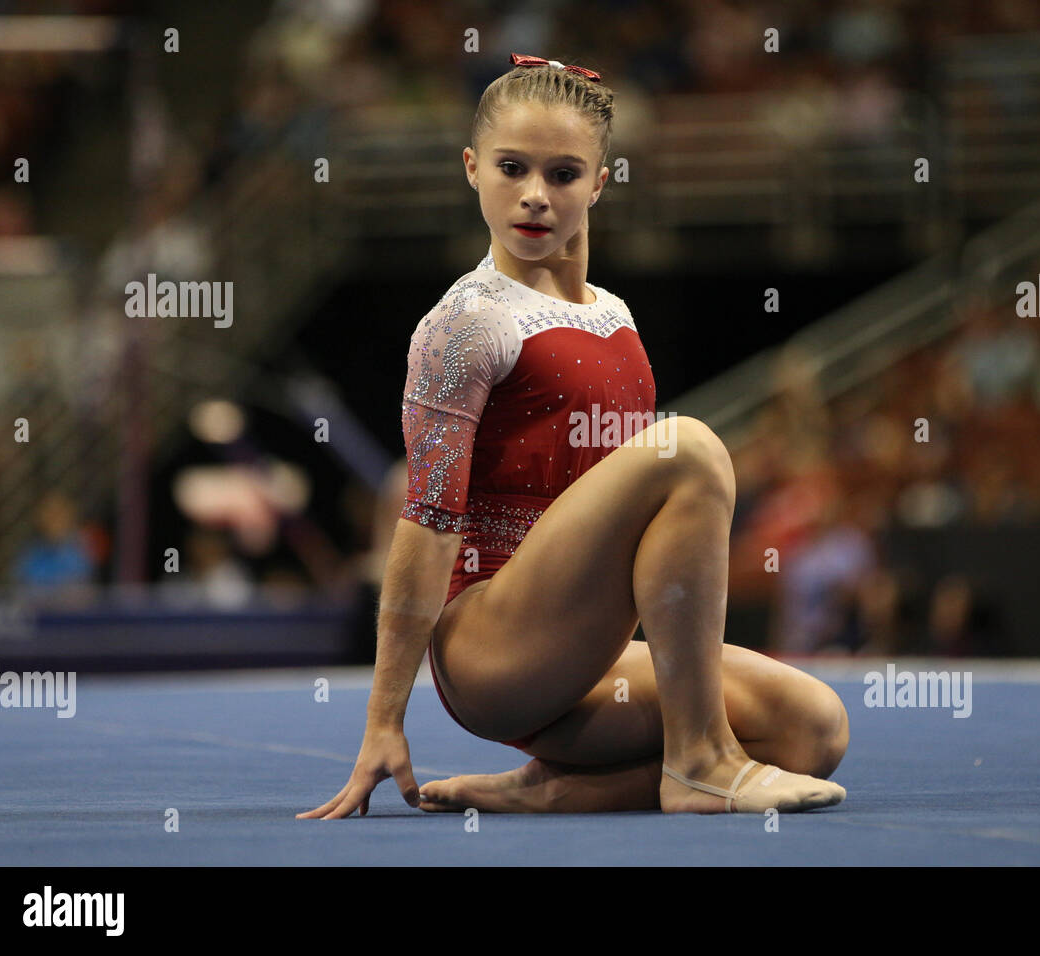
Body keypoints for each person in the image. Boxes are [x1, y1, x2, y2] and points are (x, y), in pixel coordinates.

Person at [300, 54, 848, 818]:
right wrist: (383, 720)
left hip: (587, 656)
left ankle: (551, 788)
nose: (534, 195)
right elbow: (425, 522)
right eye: (512, 168)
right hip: (491, 649)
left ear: (600, 182)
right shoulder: (465, 324)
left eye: (562, 174)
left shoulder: (616, 316)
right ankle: (700, 761)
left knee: (814, 726)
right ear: (471, 168)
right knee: (685, 446)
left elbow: (630, 527)